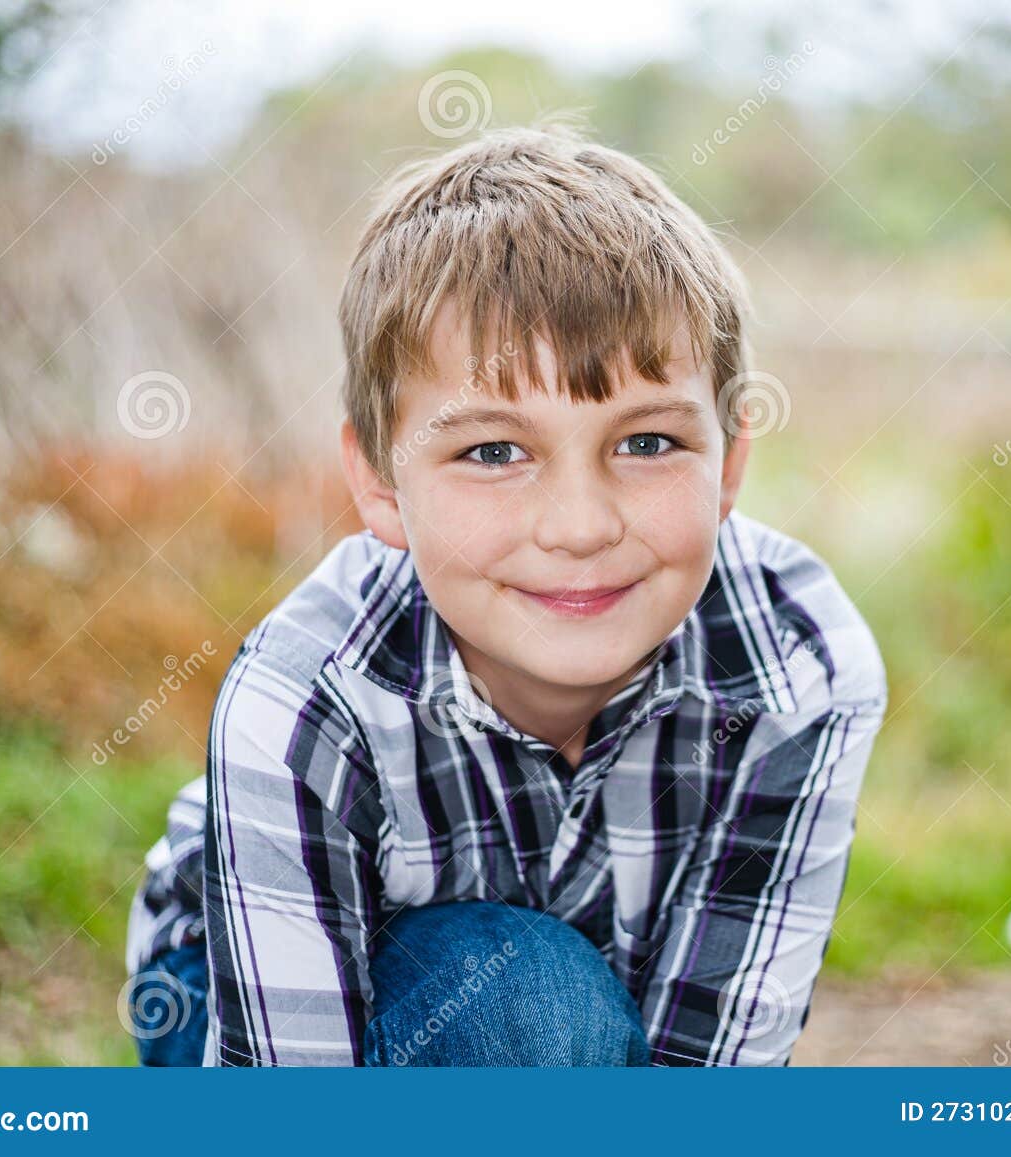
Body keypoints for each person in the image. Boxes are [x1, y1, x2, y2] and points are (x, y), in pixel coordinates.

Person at [123, 121, 887, 1067]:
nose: (580, 526)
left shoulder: (799, 666)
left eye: (648, 443)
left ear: (729, 463)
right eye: (493, 451)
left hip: (588, 1022)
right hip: (248, 983)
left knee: (552, 1015)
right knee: (528, 1005)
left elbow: (715, 1068)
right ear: (380, 483)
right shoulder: (302, 699)